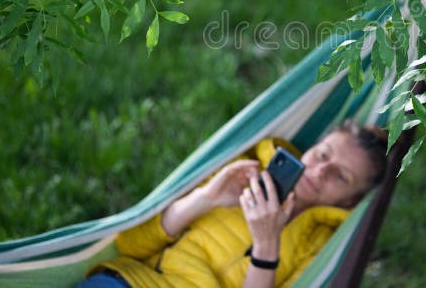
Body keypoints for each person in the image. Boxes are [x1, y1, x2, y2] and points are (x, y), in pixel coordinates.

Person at [76, 121, 388, 288]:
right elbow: (129, 243)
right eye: (322, 155)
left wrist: (267, 247)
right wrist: (206, 198)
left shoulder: (323, 247)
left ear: (350, 200)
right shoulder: (243, 169)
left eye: (340, 176)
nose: (319, 172)